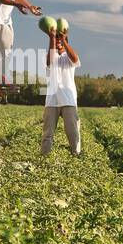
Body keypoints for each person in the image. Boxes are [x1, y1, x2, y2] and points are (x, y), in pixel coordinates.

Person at [41, 28, 81, 156]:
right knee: (47, 134)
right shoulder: (51, 57)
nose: (58, 41)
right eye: (56, 39)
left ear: (65, 41)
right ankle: (44, 158)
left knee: (73, 132)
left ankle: (76, 155)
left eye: (60, 38)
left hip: (68, 100)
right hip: (52, 101)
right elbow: (49, 62)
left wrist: (64, 41)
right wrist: (51, 38)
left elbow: (75, 59)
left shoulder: (68, 57)